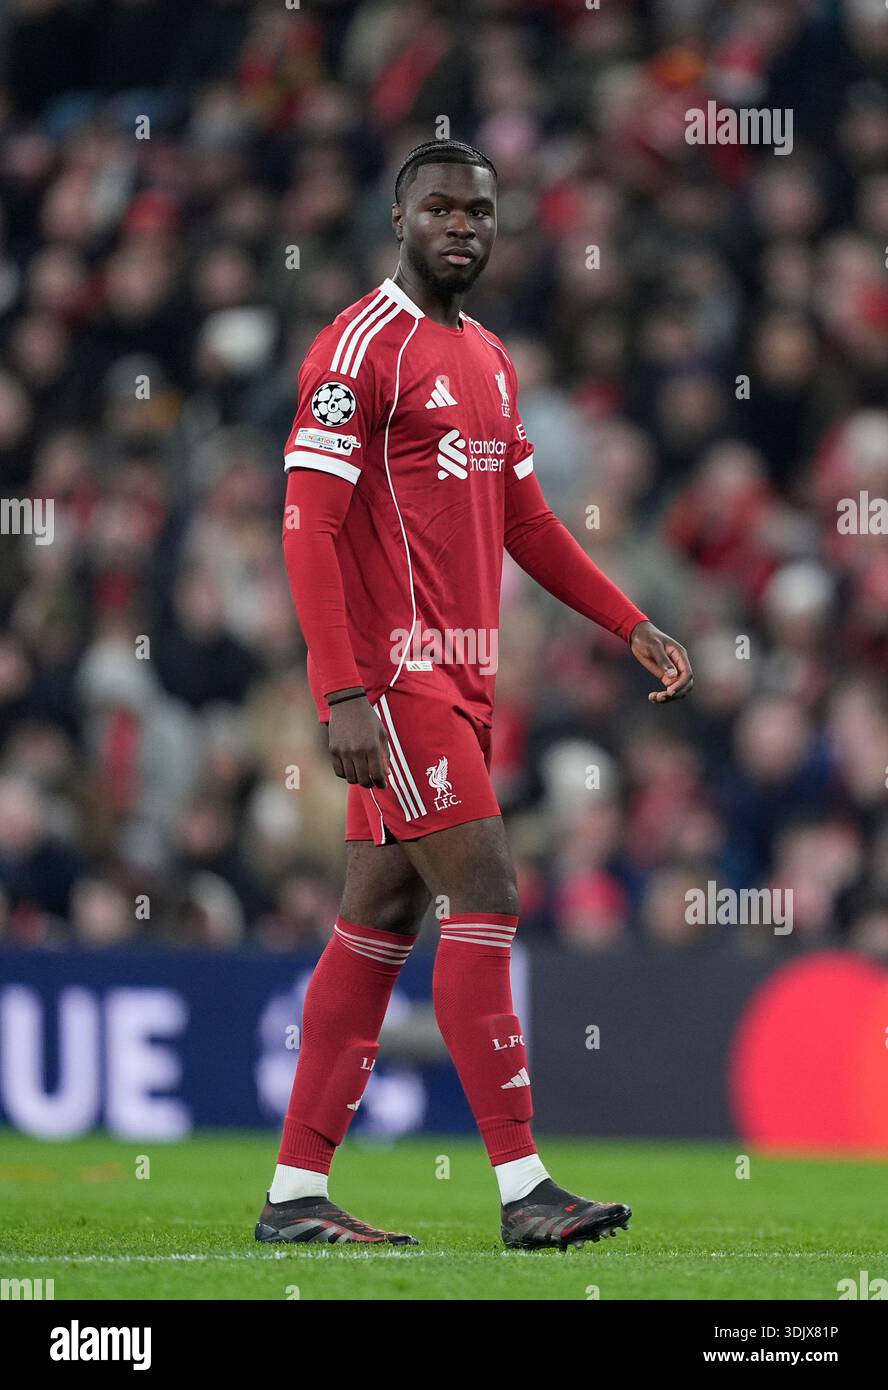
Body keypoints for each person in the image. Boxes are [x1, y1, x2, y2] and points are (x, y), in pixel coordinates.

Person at [258, 140, 693, 1250]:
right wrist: (342, 690)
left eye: (481, 211)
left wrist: (626, 621)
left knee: (377, 923)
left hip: (462, 682)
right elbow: (306, 526)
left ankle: (296, 1197)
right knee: (487, 890)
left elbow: (528, 521)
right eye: (441, 207)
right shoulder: (359, 348)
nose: (463, 225)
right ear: (399, 215)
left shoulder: (490, 357)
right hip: (397, 680)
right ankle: (523, 1187)